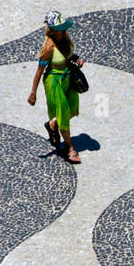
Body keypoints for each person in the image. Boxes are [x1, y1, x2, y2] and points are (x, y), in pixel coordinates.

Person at [27, 10, 85, 164]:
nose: (64, 30)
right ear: (52, 30)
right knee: (63, 112)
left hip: (69, 79)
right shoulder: (49, 48)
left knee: (73, 108)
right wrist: (33, 93)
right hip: (54, 81)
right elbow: (39, 71)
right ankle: (70, 148)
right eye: (61, 28)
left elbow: (68, 55)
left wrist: (76, 58)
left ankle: (53, 124)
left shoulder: (65, 39)